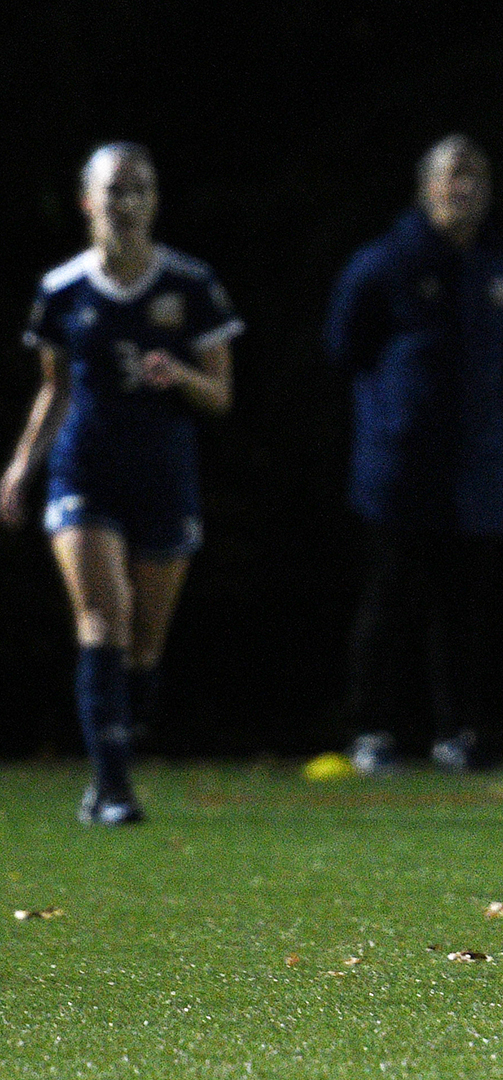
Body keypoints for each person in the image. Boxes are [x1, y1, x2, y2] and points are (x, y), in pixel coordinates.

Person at [2, 142, 241, 825]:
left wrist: (182, 376)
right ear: (88, 202)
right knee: (103, 619)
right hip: (85, 470)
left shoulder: (191, 286)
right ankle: (113, 789)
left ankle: (116, 749)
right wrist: (22, 465)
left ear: (155, 200)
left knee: (144, 648)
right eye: (114, 191)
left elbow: (221, 394)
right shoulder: (63, 291)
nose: (127, 204)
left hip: (163, 474)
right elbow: (55, 390)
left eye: (140, 190)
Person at [323, 134, 503, 774]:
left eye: (476, 175)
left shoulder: (499, 269)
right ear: (425, 185)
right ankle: (372, 731)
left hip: (477, 470)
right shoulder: (385, 263)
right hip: (399, 468)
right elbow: (343, 348)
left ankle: (458, 733)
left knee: (464, 609)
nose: (464, 187)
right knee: (389, 600)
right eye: (451, 175)